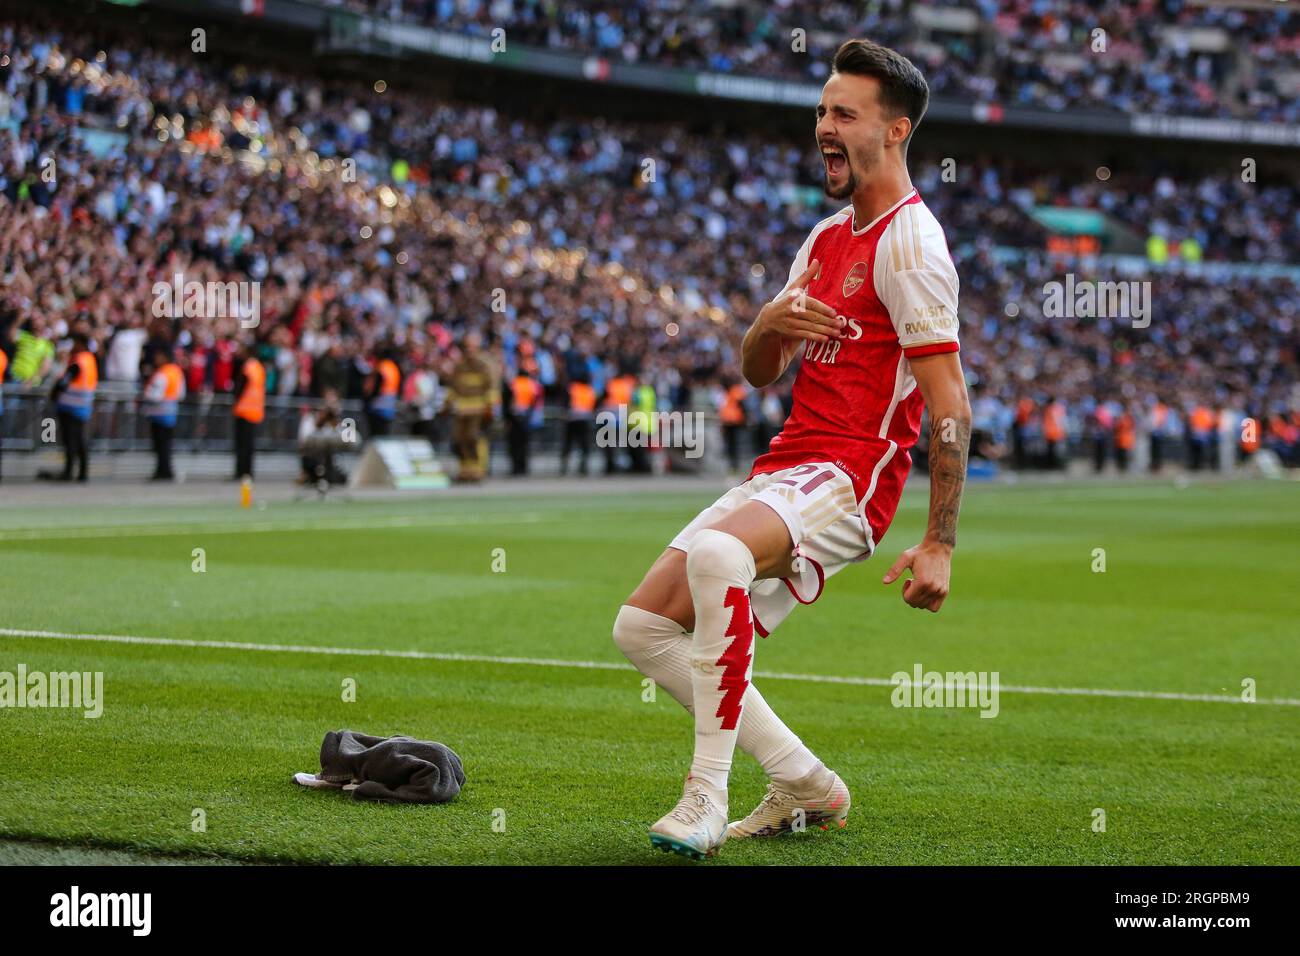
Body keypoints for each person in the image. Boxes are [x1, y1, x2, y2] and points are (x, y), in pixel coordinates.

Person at [612, 40, 971, 859]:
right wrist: (766, 324)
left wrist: (939, 540)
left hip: (851, 477)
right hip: (790, 465)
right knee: (641, 629)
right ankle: (805, 781)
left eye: (845, 114)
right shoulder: (825, 237)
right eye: (821, 111)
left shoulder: (912, 244)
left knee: (714, 556)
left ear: (896, 131)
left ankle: (705, 799)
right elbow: (760, 369)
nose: (824, 128)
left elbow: (948, 402)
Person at [446, 332, 495, 482]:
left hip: (479, 407)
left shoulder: (486, 365)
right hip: (462, 408)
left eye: (472, 347)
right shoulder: (460, 366)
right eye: (466, 347)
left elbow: (492, 387)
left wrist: (490, 407)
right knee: (461, 439)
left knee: (475, 438)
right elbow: (454, 387)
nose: (469, 350)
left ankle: (478, 470)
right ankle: (465, 470)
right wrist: (447, 403)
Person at [49, 332, 97, 482]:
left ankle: (69, 472)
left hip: (70, 406)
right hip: (83, 406)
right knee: (80, 440)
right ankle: (83, 472)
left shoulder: (78, 361)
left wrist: (54, 393)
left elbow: (65, 381)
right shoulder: (90, 359)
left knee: (71, 441)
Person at [142, 346, 186, 481]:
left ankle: (162, 471)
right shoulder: (177, 371)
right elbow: (181, 393)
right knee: (166, 445)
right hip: (171, 412)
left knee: (160, 446)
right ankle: (165, 470)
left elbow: (154, 395)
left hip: (159, 413)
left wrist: (146, 394)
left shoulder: (162, 373)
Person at [232, 341, 265, 480]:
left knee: (242, 445)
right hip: (255, 410)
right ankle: (248, 472)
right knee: (249, 445)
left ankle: (241, 472)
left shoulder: (248, 366)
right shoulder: (259, 367)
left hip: (244, 410)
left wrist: (235, 399)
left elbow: (241, 385)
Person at [561, 375, 596, 476]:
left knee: (568, 443)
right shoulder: (590, 390)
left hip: (572, 418)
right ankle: (583, 467)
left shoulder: (573, 388)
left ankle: (564, 466)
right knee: (584, 444)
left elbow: (566, 402)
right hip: (584, 419)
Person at [366, 346, 401, 437]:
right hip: (390, 407)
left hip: (378, 406)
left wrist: (368, 399)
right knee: (384, 435)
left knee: (375, 436)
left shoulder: (381, 367)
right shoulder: (394, 368)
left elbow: (376, 386)